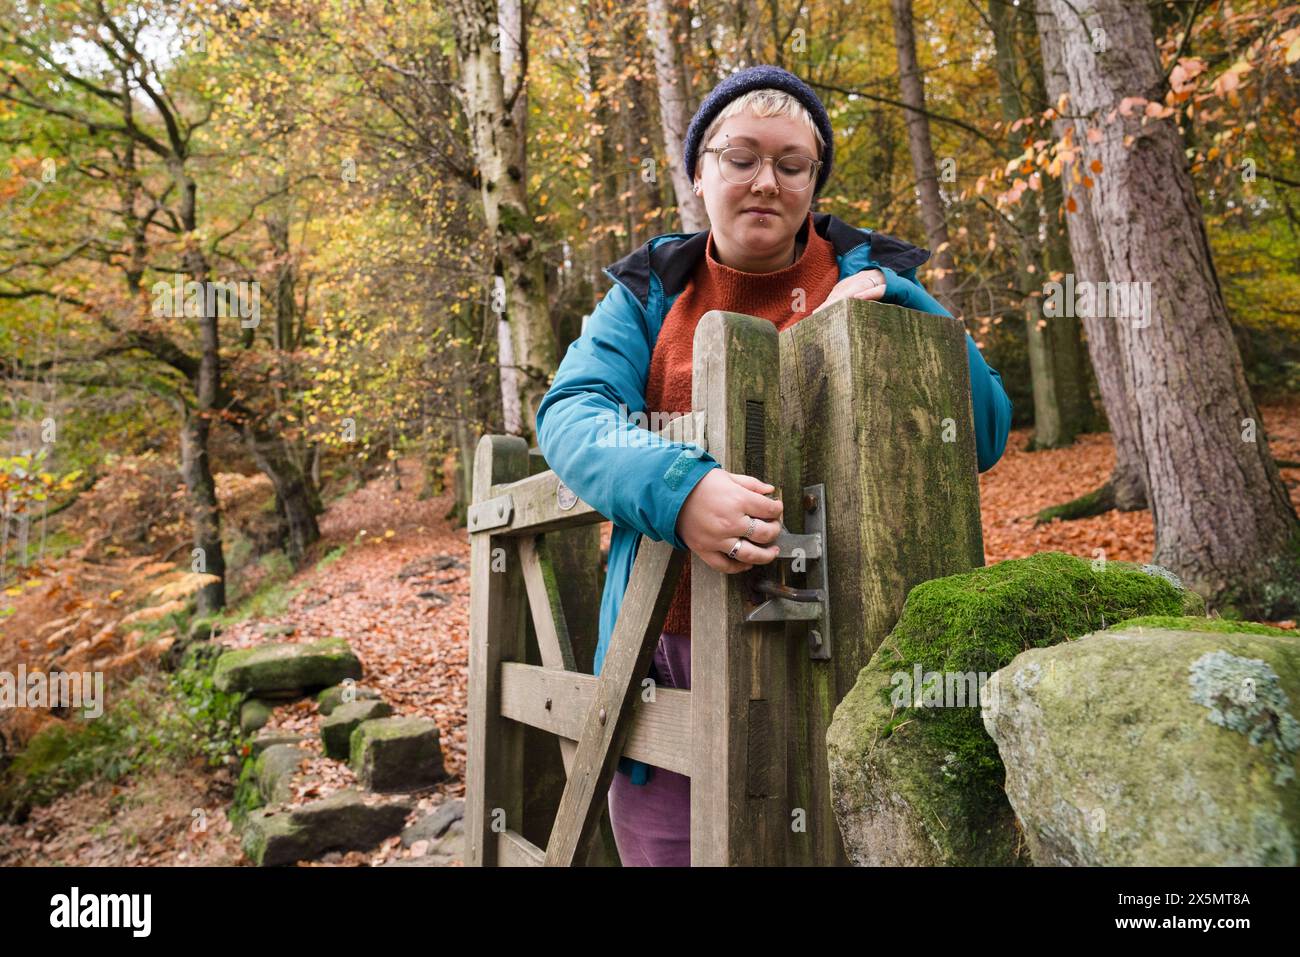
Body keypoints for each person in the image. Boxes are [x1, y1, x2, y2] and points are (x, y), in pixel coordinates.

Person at [534, 65, 1013, 866]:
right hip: (670, 650)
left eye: (792, 165)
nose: (766, 181)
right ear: (698, 173)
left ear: (814, 182)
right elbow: (573, 416)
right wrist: (681, 491)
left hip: (856, 644)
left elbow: (986, 432)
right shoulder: (648, 296)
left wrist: (901, 298)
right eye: (740, 157)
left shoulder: (874, 283)